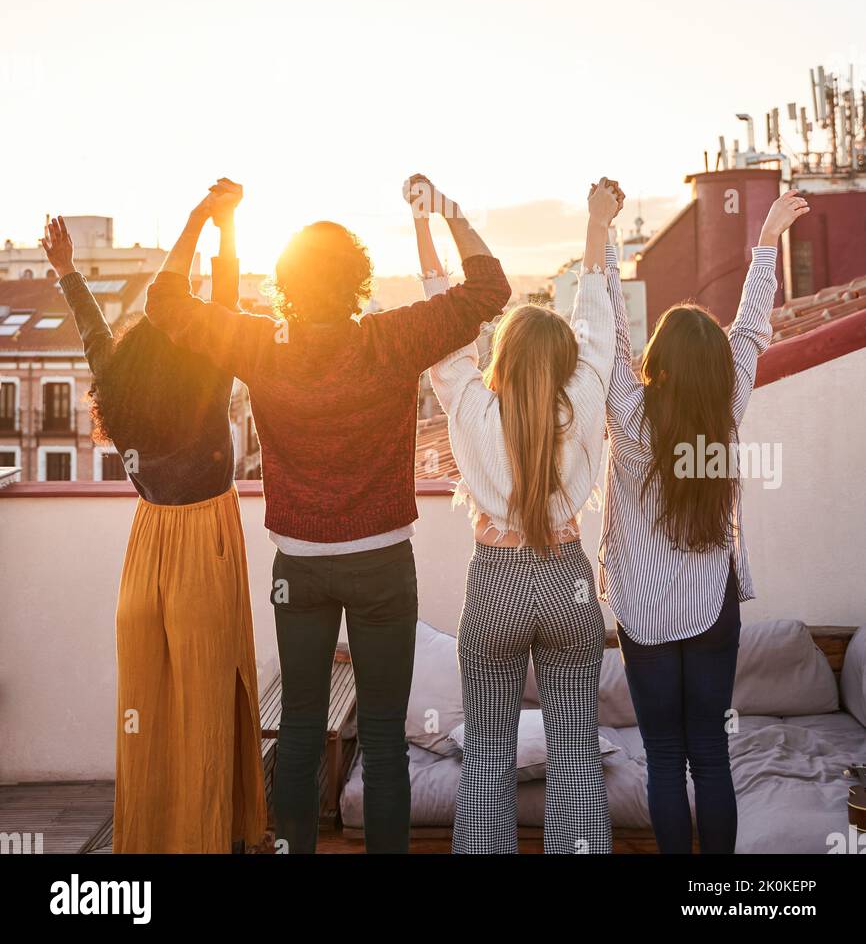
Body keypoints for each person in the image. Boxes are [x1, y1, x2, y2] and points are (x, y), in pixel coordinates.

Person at [144, 179, 511, 854]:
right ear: (358, 279)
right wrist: (447, 212)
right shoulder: (392, 337)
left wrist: (202, 217)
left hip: (300, 570)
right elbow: (491, 290)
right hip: (382, 566)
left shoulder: (262, 344)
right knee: (381, 735)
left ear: (287, 284)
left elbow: (165, 302)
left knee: (303, 730)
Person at [41, 188, 267, 854]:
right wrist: (218, 226)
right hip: (205, 543)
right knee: (206, 700)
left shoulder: (119, 377)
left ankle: (148, 840)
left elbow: (93, 332)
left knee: (148, 705)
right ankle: (207, 835)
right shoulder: (207, 375)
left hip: (147, 549)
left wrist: (65, 271)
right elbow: (221, 302)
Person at [411, 174, 622, 854]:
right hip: (565, 577)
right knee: (574, 754)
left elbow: (443, 327)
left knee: (489, 756)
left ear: (501, 357)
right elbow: (599, 320)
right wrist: (596, 224)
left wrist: (426, 224)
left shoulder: (471, 406)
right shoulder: (585, 397)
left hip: (496, 579)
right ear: (562, 362)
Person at [599, 187, 810, 854]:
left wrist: (601, 235)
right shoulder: (725, 412)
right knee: (710, 754)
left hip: (644, 613)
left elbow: (610, 331)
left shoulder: (628, 417)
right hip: (711, 608)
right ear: (715, 368)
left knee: (664, 755)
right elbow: (750, 327)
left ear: (656, 364)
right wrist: (767, 238)